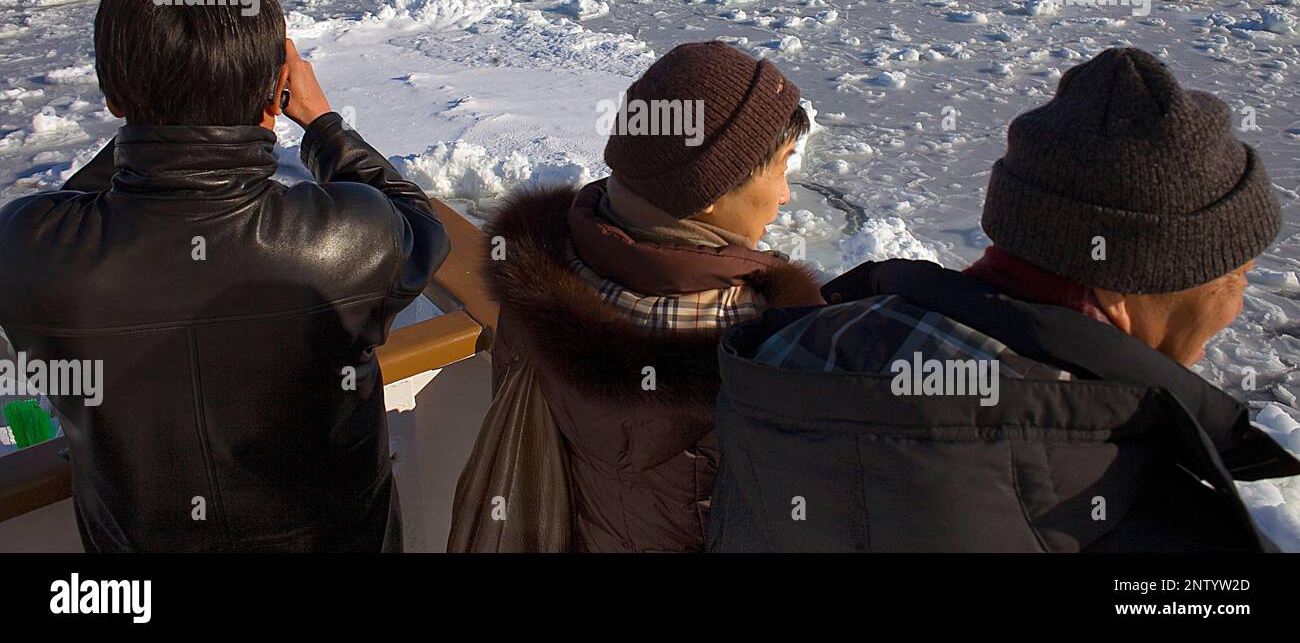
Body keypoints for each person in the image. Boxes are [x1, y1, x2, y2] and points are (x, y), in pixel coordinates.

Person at [707, 47, 1300, 552]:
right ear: (1123, 291)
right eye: (1235, 277)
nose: (1237, 307)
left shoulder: (782, 355)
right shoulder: (1144, 516)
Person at [0, 0, 449, 552]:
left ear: (111, 96)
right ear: (274, 93)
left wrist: (150, 119)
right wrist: (320, 121)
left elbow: (76, 208)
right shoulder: (350, 236)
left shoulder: (30, 250)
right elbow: (422, 225)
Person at [475, 41, 824, 552]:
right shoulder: (759, 344)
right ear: (708, 193)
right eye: (781, 167)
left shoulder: (543, 274)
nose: (785, 194)